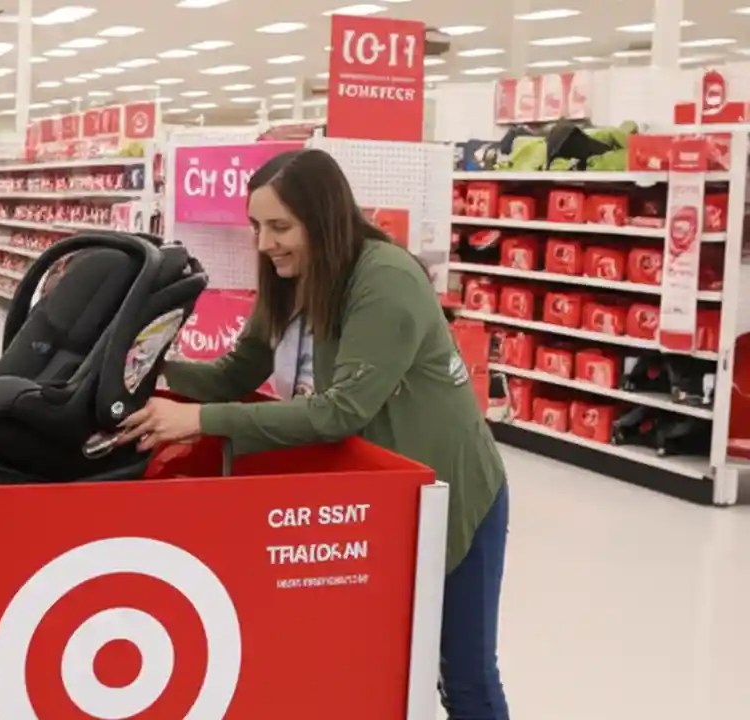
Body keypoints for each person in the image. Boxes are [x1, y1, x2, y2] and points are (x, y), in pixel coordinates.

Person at [120, 148, 511, 719]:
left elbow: (340, 412)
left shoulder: (386, 281)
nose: (265, 243)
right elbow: (235, 373)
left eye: (280, 227)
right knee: (389, 668)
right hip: (378, 503)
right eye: (257, 226)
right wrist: (143, 370)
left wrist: (200, 420)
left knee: (465, 676)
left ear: (324, 220)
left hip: (452, 495)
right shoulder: (290, 277)